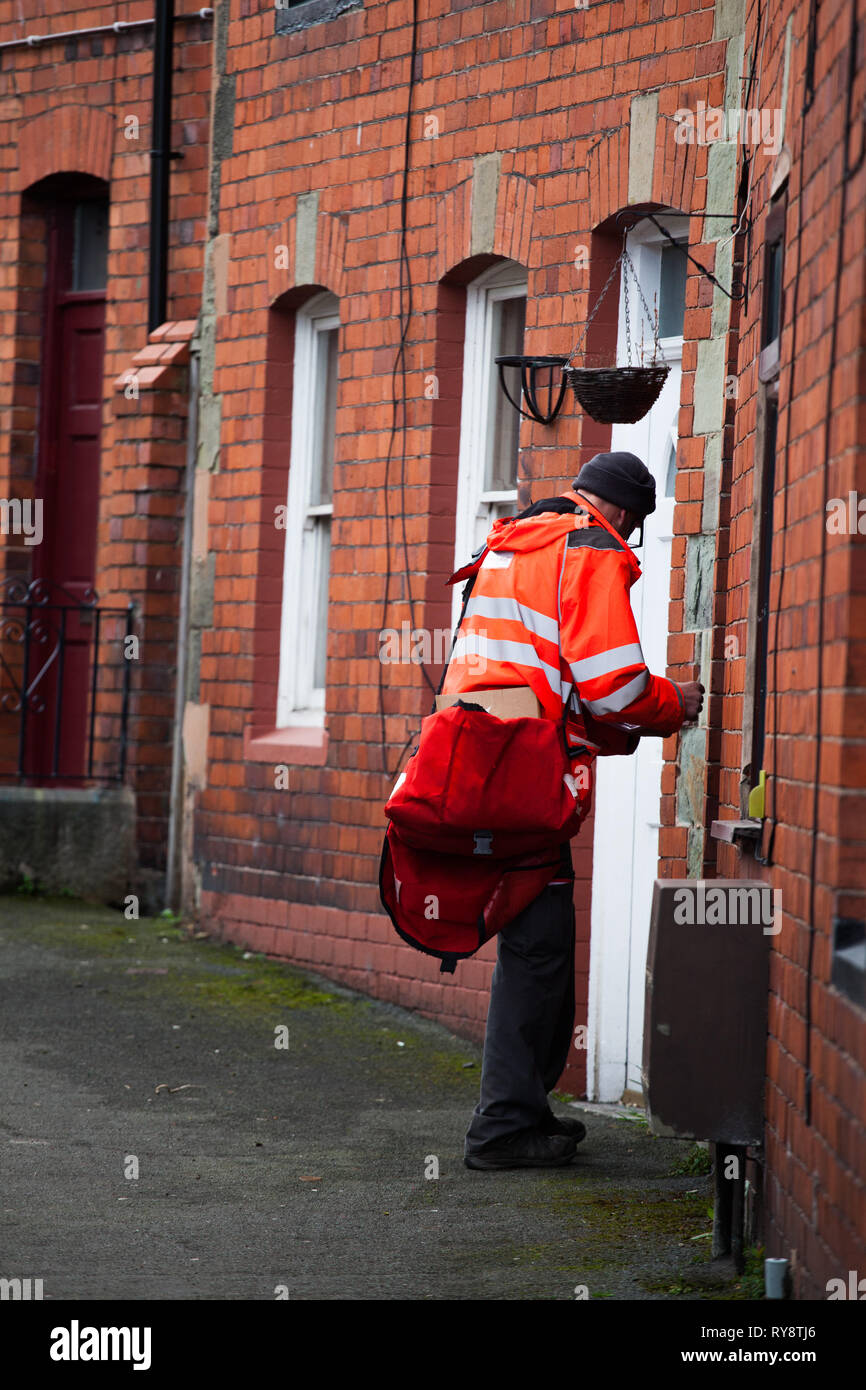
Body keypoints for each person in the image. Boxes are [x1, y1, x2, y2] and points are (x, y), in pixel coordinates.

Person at [438, 451, 705, 1170]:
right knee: (539, 947)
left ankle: (519, 1114)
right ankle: (502, 1131)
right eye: (634, 528)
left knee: (538, 936)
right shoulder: (589, 549)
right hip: (523, 773)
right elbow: (614, 689)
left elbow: (535, 673)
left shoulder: (514, 541)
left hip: (477, 754)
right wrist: (677, 704)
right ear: (623, 515)